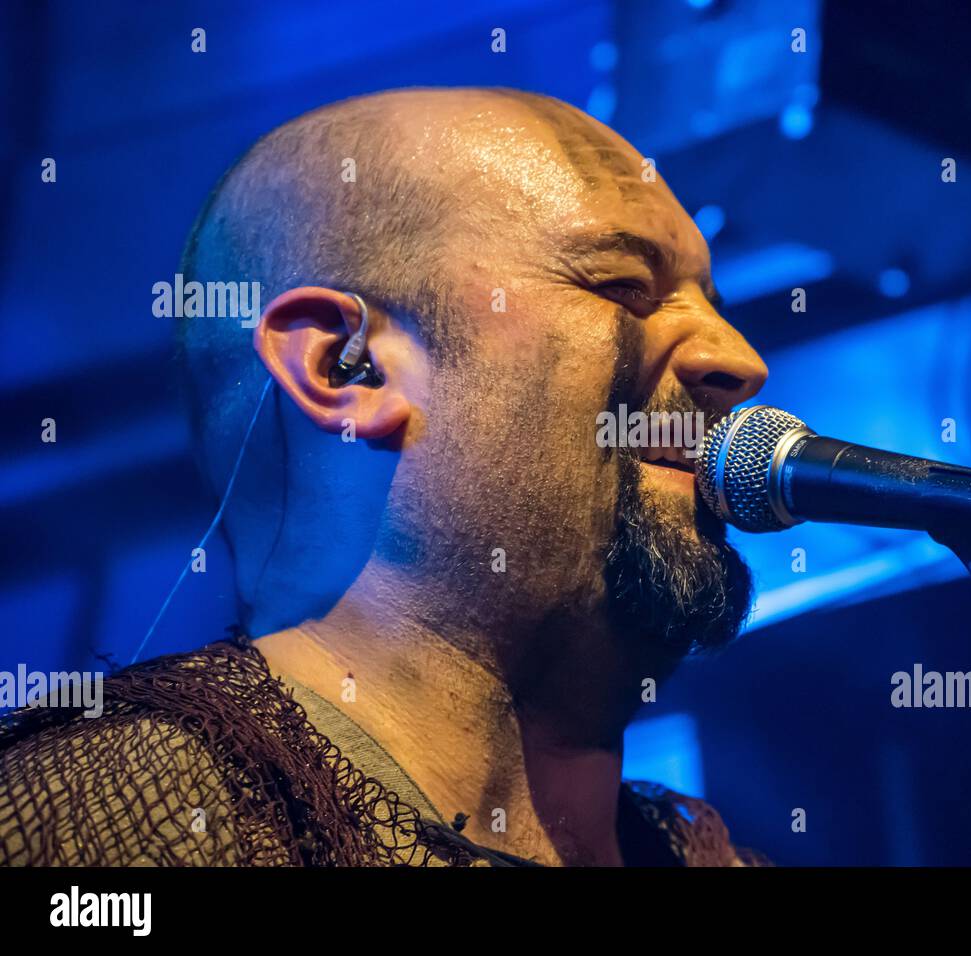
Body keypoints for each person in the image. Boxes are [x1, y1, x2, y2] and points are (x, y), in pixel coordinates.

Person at [0, 88, 770, 867]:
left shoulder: (704, 856)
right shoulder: (107, 823)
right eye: (623, 287)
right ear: (347, 366)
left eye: (712, 301)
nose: (742, 361)